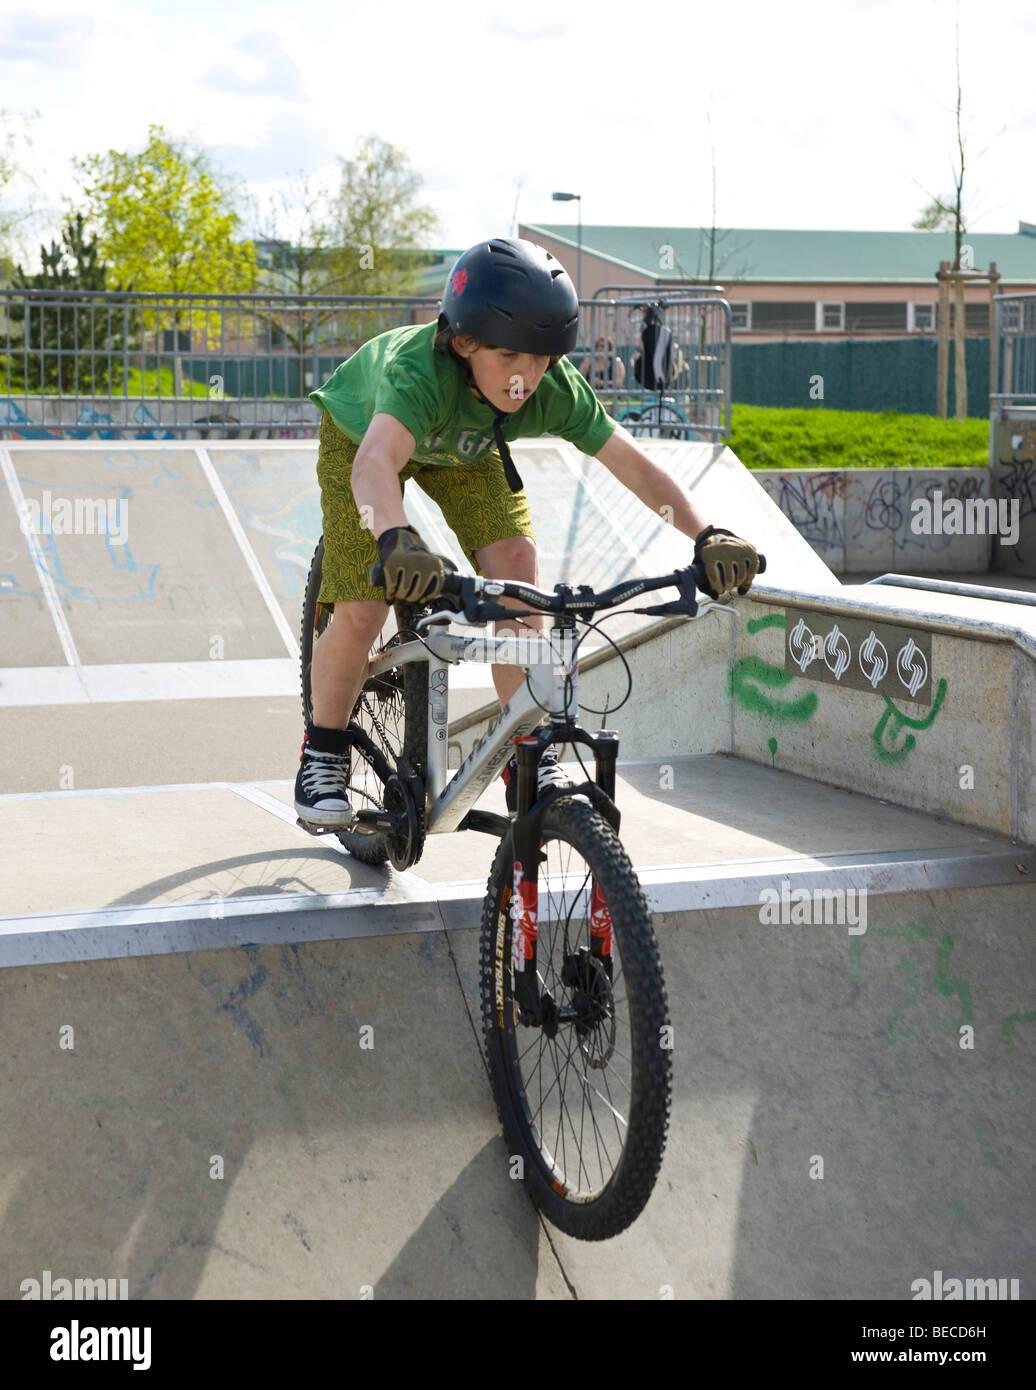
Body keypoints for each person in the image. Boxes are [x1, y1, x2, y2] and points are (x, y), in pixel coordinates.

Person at [295, 237, 760, 829]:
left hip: (469, 446)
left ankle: (529, 750)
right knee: (364, 605)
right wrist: (395, 541)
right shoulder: (420, 374)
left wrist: (707, 534)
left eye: (541, 360)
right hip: (366, 435)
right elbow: (373, 466)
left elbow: (634, 464)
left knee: (518, 571)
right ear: (464, 343)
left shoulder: (550, 386)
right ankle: (323, 751)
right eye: (511, 359)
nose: (527, 379)